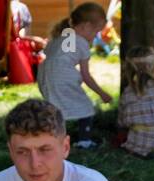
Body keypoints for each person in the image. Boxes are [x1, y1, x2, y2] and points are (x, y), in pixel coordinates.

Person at [36, 2, 113, 147]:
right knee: (86, 107)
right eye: (96, 31)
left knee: (56, 106)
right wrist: (102, 93)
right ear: (86, 26)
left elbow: (49, 54)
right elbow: (86, 76)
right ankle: (84, 141)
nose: (95, 36)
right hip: (62, 77)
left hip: (44, 75)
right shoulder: (81, 43)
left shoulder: (59, 38)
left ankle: (53, 139)